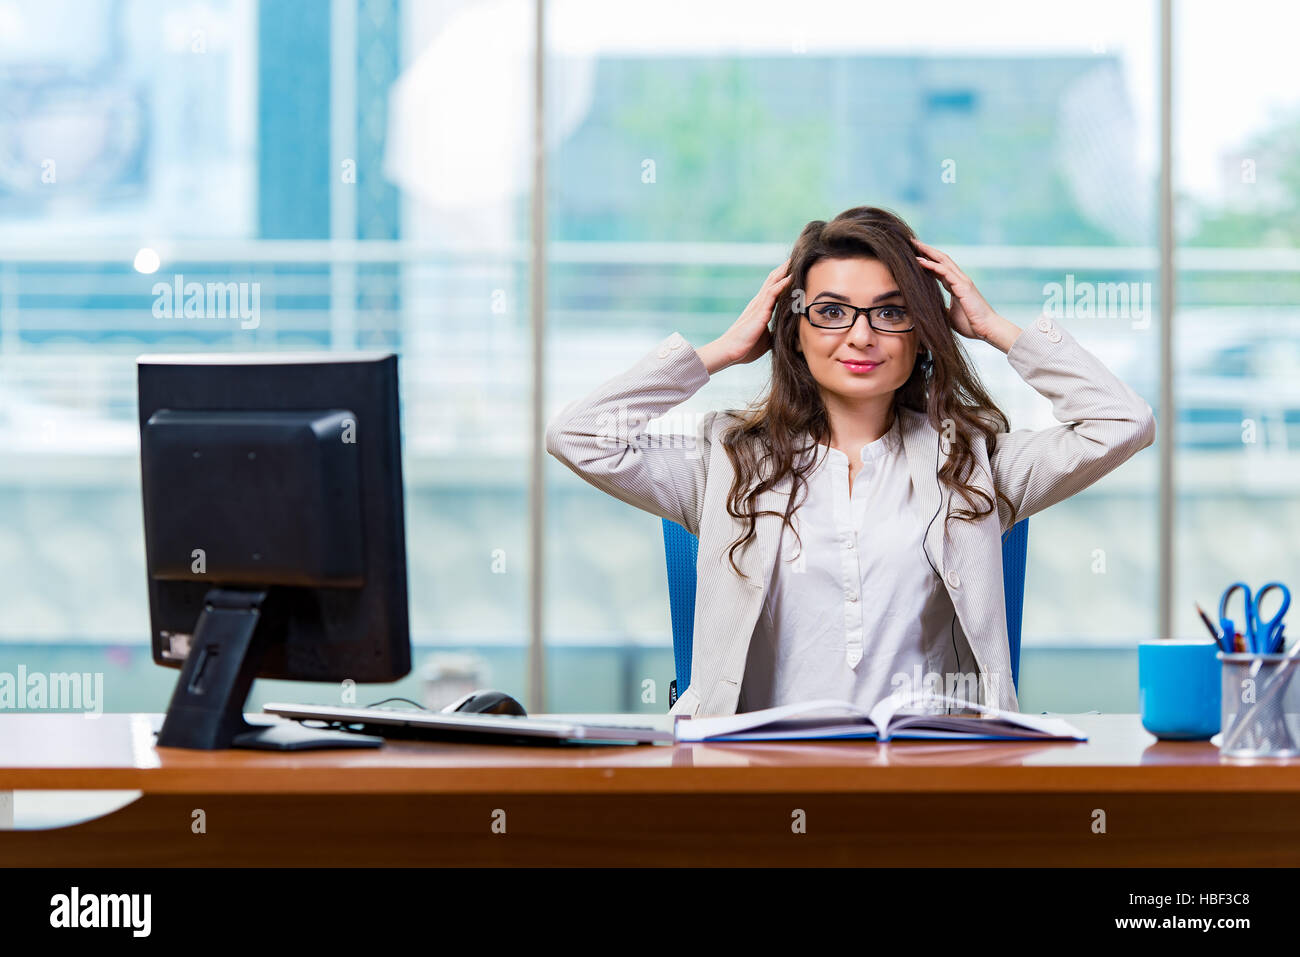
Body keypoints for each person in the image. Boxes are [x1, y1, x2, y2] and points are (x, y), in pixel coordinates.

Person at [546, 206, 1155, 718]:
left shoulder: (975, 463)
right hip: (752, 783)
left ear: (923, 331)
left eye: (891, 312)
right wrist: (721, 351)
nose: (861, 336)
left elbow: (1122, 423)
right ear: (794, 327)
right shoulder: (727, 462)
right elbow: (577, 435)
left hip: (926, 783)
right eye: (832, 311)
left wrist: (996, 328)